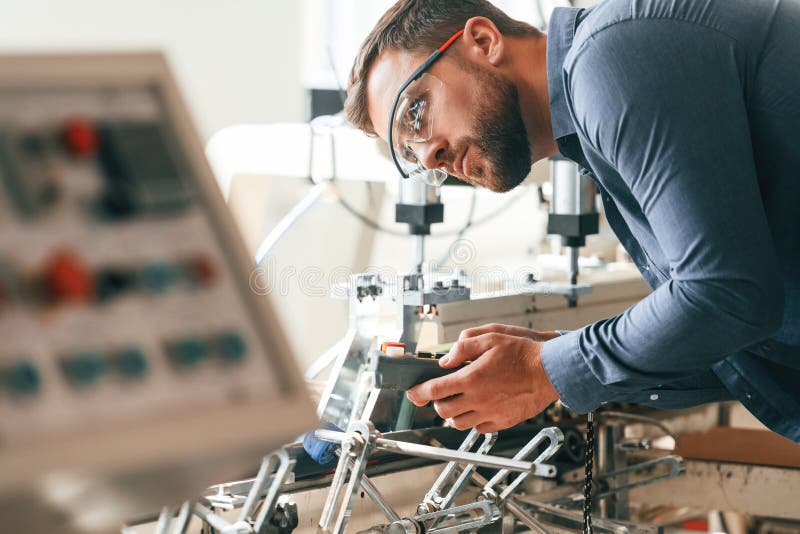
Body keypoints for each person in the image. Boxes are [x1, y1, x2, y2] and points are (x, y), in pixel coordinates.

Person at [343, 0, 800, 442]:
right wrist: (550, 355)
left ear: (483, 41)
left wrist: (547, 369)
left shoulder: (610, 56)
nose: (430, 155)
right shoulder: (596, 132)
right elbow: (738, 333)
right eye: (409, 153)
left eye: (416, 112)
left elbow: (727, 295)